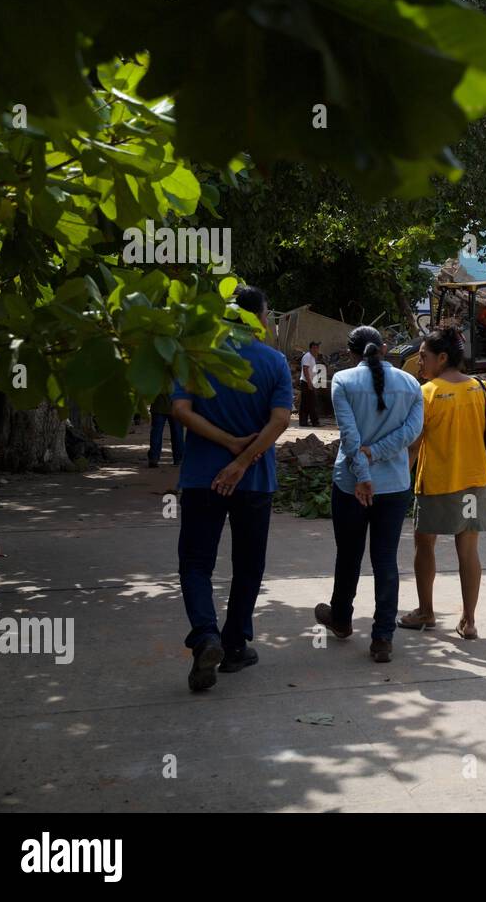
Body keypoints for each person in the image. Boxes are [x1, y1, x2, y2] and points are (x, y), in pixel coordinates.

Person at [171, 285, 293, 692]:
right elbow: (280, 421)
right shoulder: (274, 362)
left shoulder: (198, 356)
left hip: (202, 477)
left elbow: (180, 410)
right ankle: (235, 644)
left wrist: (225, 446)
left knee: (195, 563)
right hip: (254, 480)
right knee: (248, 563)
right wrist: (242, 461)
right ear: (257, 317)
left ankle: (206, 636)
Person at [399, 326, 486, 640]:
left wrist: (400, 481)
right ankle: (468, 621)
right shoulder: (479, 388)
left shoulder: (426, 393)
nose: (419, 364)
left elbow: (414, 445)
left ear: (442, 358)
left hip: (436, 484)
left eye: (424, 357)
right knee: (468, 551)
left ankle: (426, 612)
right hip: (474, 483)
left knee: (424, 544)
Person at [314, 326, 423, 663]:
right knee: (385, 559)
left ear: (350, 353)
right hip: (394, 485)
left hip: (350, 485)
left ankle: (342, 620)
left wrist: (362, 470)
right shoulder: (411, 384)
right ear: (386, 347)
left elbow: (349, 435)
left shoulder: (343, 381)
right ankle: (382, 638)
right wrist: (376, 454)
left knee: (348, 554)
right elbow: (412, 431)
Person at [148, 391, 183, 468]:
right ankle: (178, 459)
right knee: (177, 433)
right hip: (175, 404)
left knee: (156, 433)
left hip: (159, 404)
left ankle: (154, 458)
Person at [299, 341, 322, 427]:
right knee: (311, 403)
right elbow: (305, 369)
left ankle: (304, 422)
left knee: (307, 403)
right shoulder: (307, 356)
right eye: (315, 348)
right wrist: (309, 383)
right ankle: (314, 422)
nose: (316, 349)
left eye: (317, 348)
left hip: (308, 382)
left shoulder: (312, 357)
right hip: (306, 383)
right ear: (311, 348)